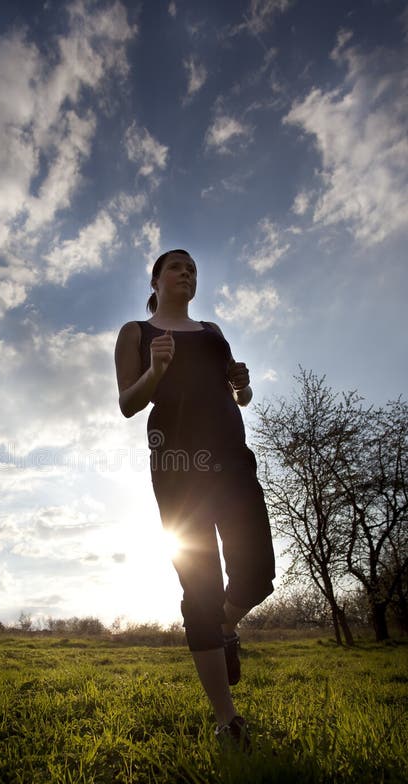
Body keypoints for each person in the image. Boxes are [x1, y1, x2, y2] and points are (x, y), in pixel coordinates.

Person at [114, 249, 275, 748]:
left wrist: (245, 387)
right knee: (200, 584)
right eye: (177, 267)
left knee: (258, 573)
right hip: (178, 467)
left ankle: (225, 623)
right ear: (157, 279)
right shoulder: (136, 333)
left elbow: (238, 395)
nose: (187, 273)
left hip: (231, 459)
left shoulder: (212, 332)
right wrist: (157, 372)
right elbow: (126, 403)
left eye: (194, 270)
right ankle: (228, 720)